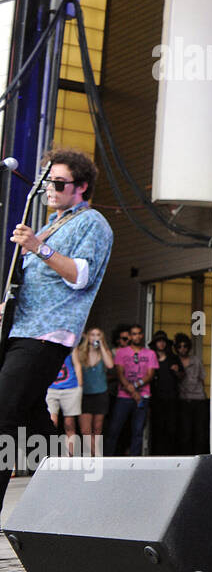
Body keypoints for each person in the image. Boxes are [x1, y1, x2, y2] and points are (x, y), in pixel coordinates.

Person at [0, 149, 114, 511]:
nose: (51, 188)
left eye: (59, 182)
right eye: (48, 181)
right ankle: (74, 497)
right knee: (32, 418)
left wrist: (38, 246)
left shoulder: (92, 222)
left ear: (81, 186)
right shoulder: (53, 221)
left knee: (5, 411)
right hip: (22, 328)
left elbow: (81, 276)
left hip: (48, 332)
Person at [103, 324, 156, 456]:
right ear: (130, 336)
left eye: (139, 333)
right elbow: (120, 374)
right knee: (114, 429)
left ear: (142, 335)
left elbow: (150, 375)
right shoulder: (122, 352)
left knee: (138, 431)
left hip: (143, 396)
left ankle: (134, 460)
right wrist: (132, 391)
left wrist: (136, 386)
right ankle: (107, 458)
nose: (136, 336)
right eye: (133, 334)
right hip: (123, 396)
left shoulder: (150, 353)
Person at [77, 327, 114, 457]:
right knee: (85, 430)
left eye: (98, 335)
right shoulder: (81, 352)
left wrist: (102, 346)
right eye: (92, 335)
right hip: (85, 394)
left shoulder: (105, 351)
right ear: (88, 336)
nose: (95, 337)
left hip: (101, 393)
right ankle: (96, 456)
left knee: (97, 428)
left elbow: (110, 365)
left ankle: (94, 457)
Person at [174, 332, 208, 454]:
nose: (182, 349)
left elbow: (202, 378)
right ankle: (186, 457)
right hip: (183, 399)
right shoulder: (174, 361)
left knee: (200, 431)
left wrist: (204, 396)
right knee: (185, 431)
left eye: (185, 346)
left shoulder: (196, 360)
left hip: (199, 399)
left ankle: (199, 456)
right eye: (179, 346)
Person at [149, 329, 182, 454]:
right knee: (157, 426)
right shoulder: (151, 357)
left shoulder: (173, 358)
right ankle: (156, 453)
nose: (161, 344)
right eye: (159, 342)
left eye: (163, 341)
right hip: (156, 397)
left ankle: (170, 453)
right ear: (155, 343)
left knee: (172, 427)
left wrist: (177, 371)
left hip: (172, 396)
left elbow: (182, 375)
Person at [45, 349, 83, 457]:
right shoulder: (48, 344)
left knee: (69, 424)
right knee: (51, 422)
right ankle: (51, 455)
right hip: (51, 388)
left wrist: (79, 386)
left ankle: (69, 457)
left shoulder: (71, 345)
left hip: (70, 388)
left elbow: (77, 364)